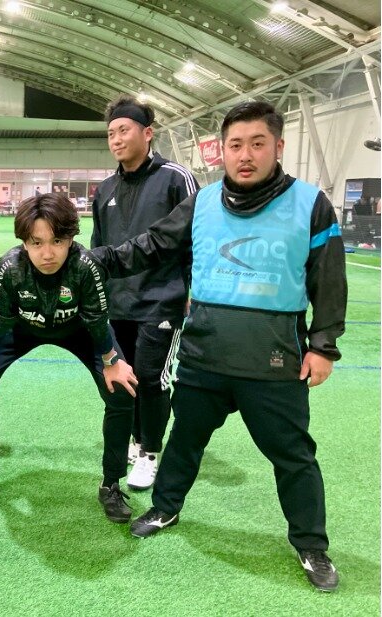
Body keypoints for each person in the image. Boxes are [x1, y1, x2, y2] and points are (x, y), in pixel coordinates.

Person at [94, 101, 346, 592]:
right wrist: (87, 259)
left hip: (273, 359)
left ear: (278, 146)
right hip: (204, 355)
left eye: (257, 144)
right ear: (222, 151)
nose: (245, 155)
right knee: (184, 440)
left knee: (293, 455)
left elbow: (329, 279)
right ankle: (165, 508)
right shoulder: (204, 202)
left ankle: (311, 544)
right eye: (235, 145)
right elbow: (150, 245)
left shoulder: (310, 203)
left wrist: (323, 345)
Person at [0, 193, 138, 522]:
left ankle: (111, 484)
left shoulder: (86, 266)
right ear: (24, 241)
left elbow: (97, 320)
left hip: (80, 329)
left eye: (57, 241)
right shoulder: (10, 267)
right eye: (36, 243)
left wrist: (112, 361)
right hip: (20, 327)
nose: (47, 253)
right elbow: (1, 319)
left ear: (71, 238)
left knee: (121, 390)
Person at [91, 95, 199, 490]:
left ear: (147, 133)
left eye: (124, 130)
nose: (116, 140)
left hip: (161, 299)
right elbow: (99, 246)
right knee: (126, 377)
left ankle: (150, 452)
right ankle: (136, 441)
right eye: (111, 133)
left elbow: (196, 236)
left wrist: (192, 290)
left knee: (152, 379)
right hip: (118, 303)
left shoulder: (176, 178)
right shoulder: (105, 189)